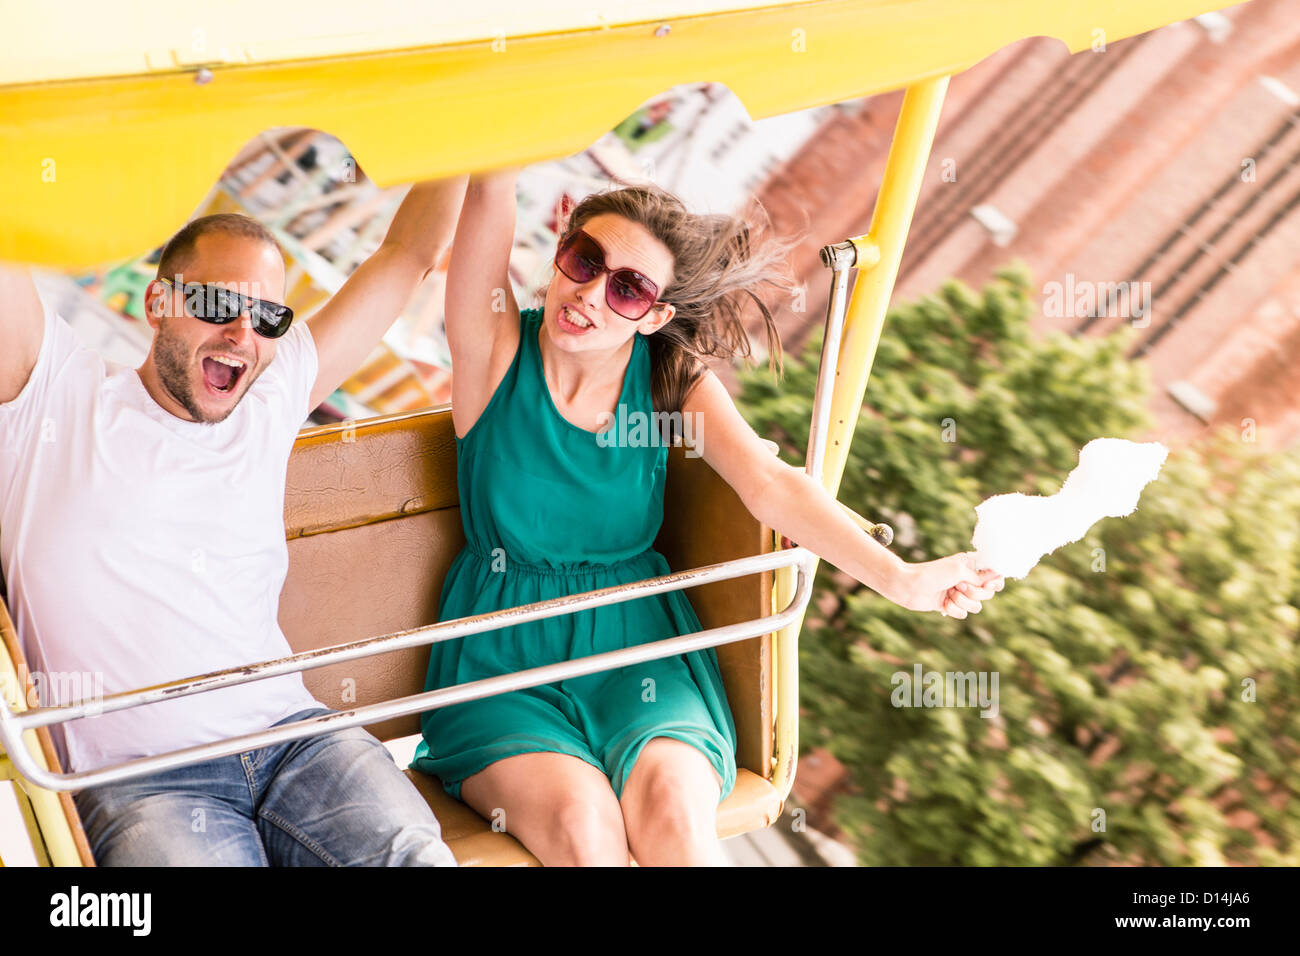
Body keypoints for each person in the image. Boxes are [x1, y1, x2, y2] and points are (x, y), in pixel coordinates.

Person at [410, 167, 1005, 866]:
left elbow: (770, 484)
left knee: (673, 815)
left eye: (628, 288)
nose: (591, 294)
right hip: (502, 655)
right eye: (585, 260)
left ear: (657, 315)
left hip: (637, 646)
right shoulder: (496, 352)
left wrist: (901, 578)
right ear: (561, 246)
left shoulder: (669, 383)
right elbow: (490, 186)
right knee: (582, 828)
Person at [0, 175, 472, 866]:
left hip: (297, 743)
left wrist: (480, 122)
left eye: (267, 319)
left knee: (414, 859)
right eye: (220, 303)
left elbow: (407, 252)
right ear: (159, 301)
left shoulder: (269, 400)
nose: (241, 334)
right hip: (146, 779)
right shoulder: (51, 394)